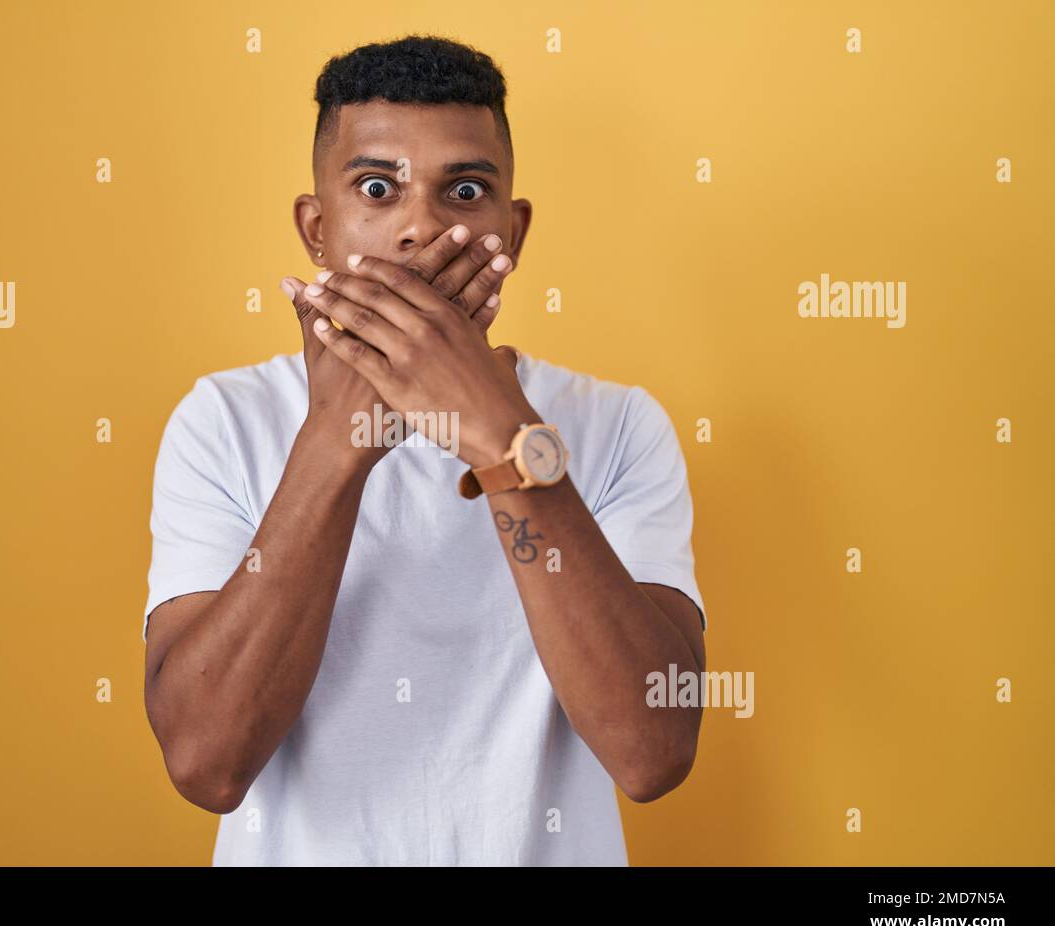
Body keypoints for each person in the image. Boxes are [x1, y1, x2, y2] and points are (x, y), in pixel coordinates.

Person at [142, 34, 707, 866]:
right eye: (378, 188)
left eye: (465, 190)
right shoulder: (223, 421)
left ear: (512, 231)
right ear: (317, 229)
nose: (421, 226)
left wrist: (503, 438)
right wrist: (336, 440)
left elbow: (652, 753)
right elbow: (207, 765)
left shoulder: (620, 424)